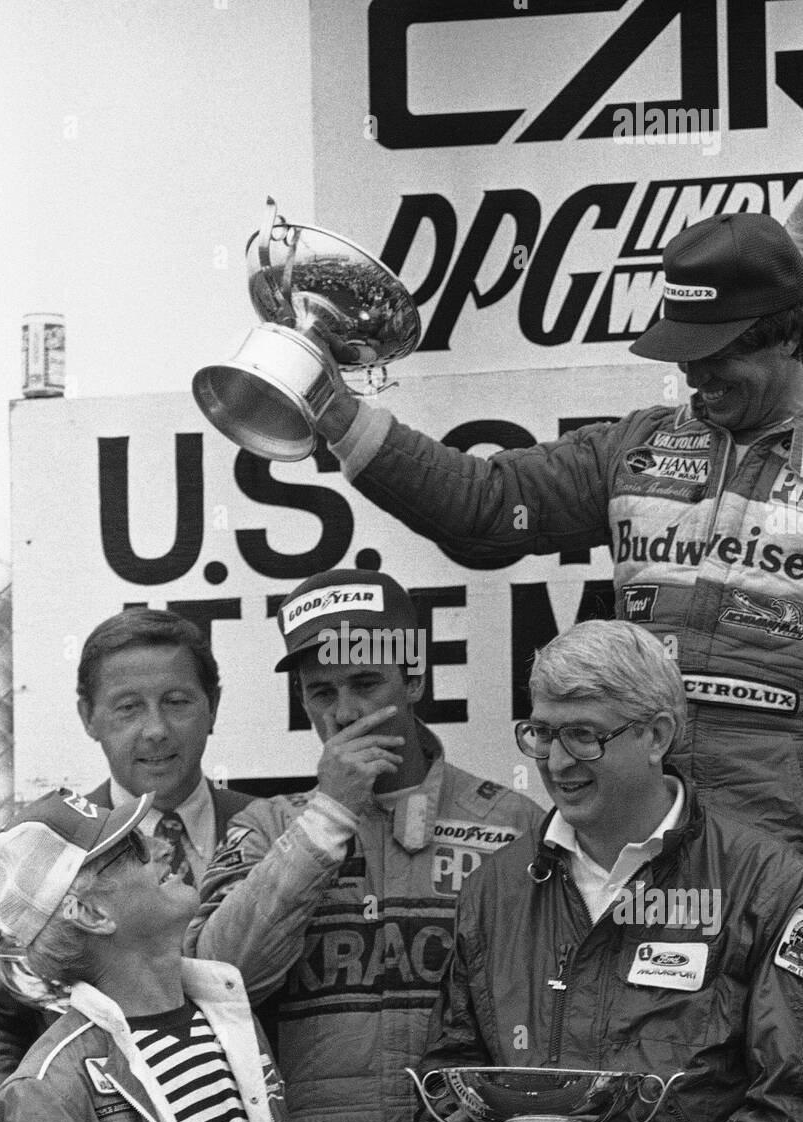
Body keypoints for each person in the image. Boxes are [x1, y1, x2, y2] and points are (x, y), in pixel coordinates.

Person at [317, 212, 803, 848]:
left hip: (778, 807)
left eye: (715, 354)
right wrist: (335, 411)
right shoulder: (638, 446)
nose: (693, 375)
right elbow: (484, 507)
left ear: (788, 337)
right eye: (682, 352)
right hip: (637, 794)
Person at [417, 620, 803, 1122]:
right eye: (540, 732)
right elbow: (452, 1058)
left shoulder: (765, 880)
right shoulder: (495, 885)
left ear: (655, 736)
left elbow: (790, 1093)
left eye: (583, 734)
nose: (556, 760)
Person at [185, 567, 543, 1122]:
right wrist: (329, 816)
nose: (343, 711)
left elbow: (553, 1013)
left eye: (364, 682)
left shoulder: (511, 824)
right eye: (321, 693)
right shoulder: (269, 828)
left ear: (414, 678)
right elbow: (219, 981)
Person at [0, 787, 370, 1122]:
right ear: (91, 914)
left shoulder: (229, 1015)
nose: (162, 846)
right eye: (133, 850)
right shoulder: (48, 1086)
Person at [0, 607, 251, 1122]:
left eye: (176, 702)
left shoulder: (268, 831)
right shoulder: (53, 851)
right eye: (128, 708)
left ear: (213, 706)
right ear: (89, 716)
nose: (156, 730)